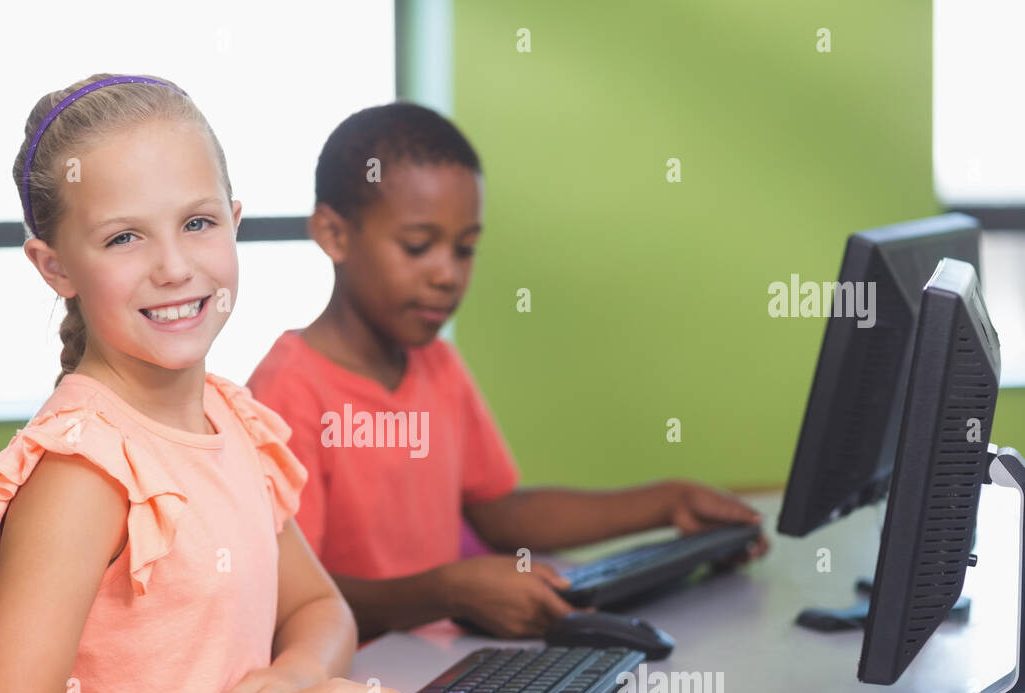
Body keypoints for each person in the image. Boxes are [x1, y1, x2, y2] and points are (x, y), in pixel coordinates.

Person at [0, 76, 432, 693]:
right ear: (53, 266)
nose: (173, 267)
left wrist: (297, 677)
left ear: (234, 224)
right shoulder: (82, 469)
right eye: (123, 238)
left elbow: (320, 606)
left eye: (197, 223)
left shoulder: (232, 422)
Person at [248, 103, 768, 643]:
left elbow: (502, 513)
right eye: (418, 246)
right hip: (357, 686)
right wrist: (445, 591)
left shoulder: (436, 364)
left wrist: (669, 501)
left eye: (465, 248)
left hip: (439, 662)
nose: (448, 275)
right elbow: (292, 595)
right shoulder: (288, 393)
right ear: (334, 235)